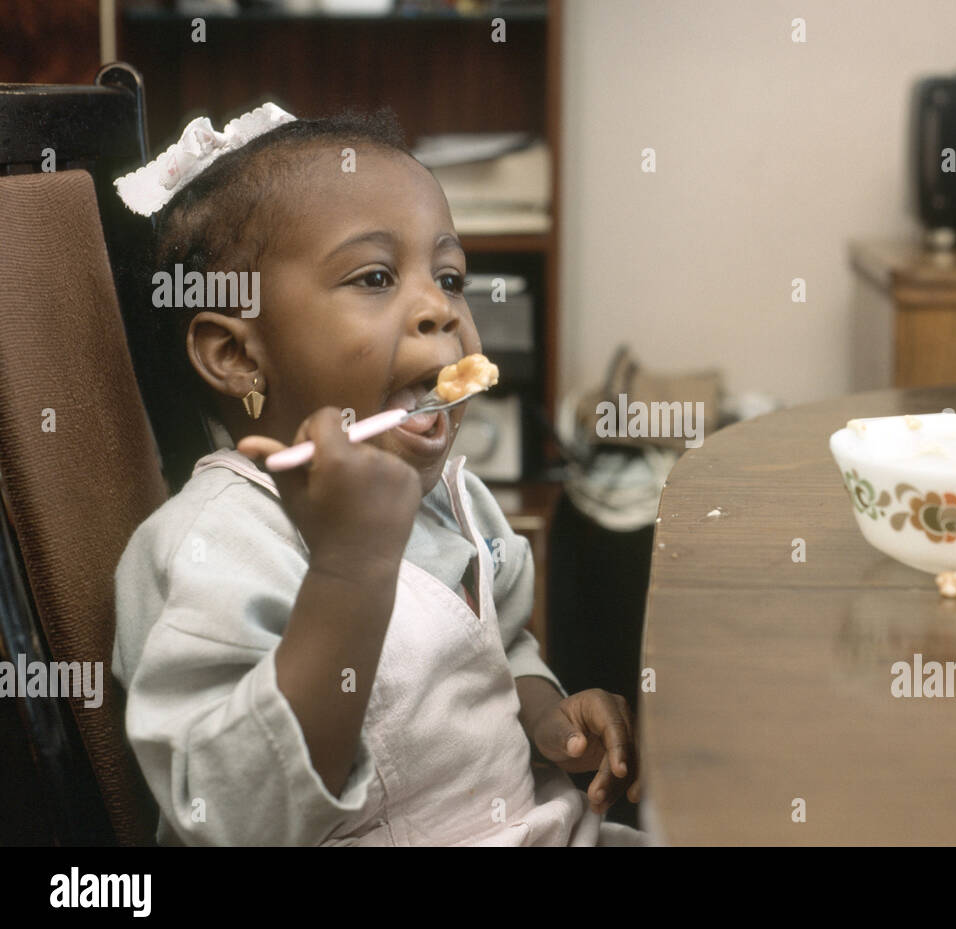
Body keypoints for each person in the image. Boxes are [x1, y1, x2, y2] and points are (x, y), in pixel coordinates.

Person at [110, 103, 647, 846]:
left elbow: (497, 650)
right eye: (374, 276)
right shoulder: (210, 545)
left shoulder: (458, 501)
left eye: (450, 276)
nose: (441, 310)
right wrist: (349, 571)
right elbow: (233, 812)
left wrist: (546, 713)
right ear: (236, 356)